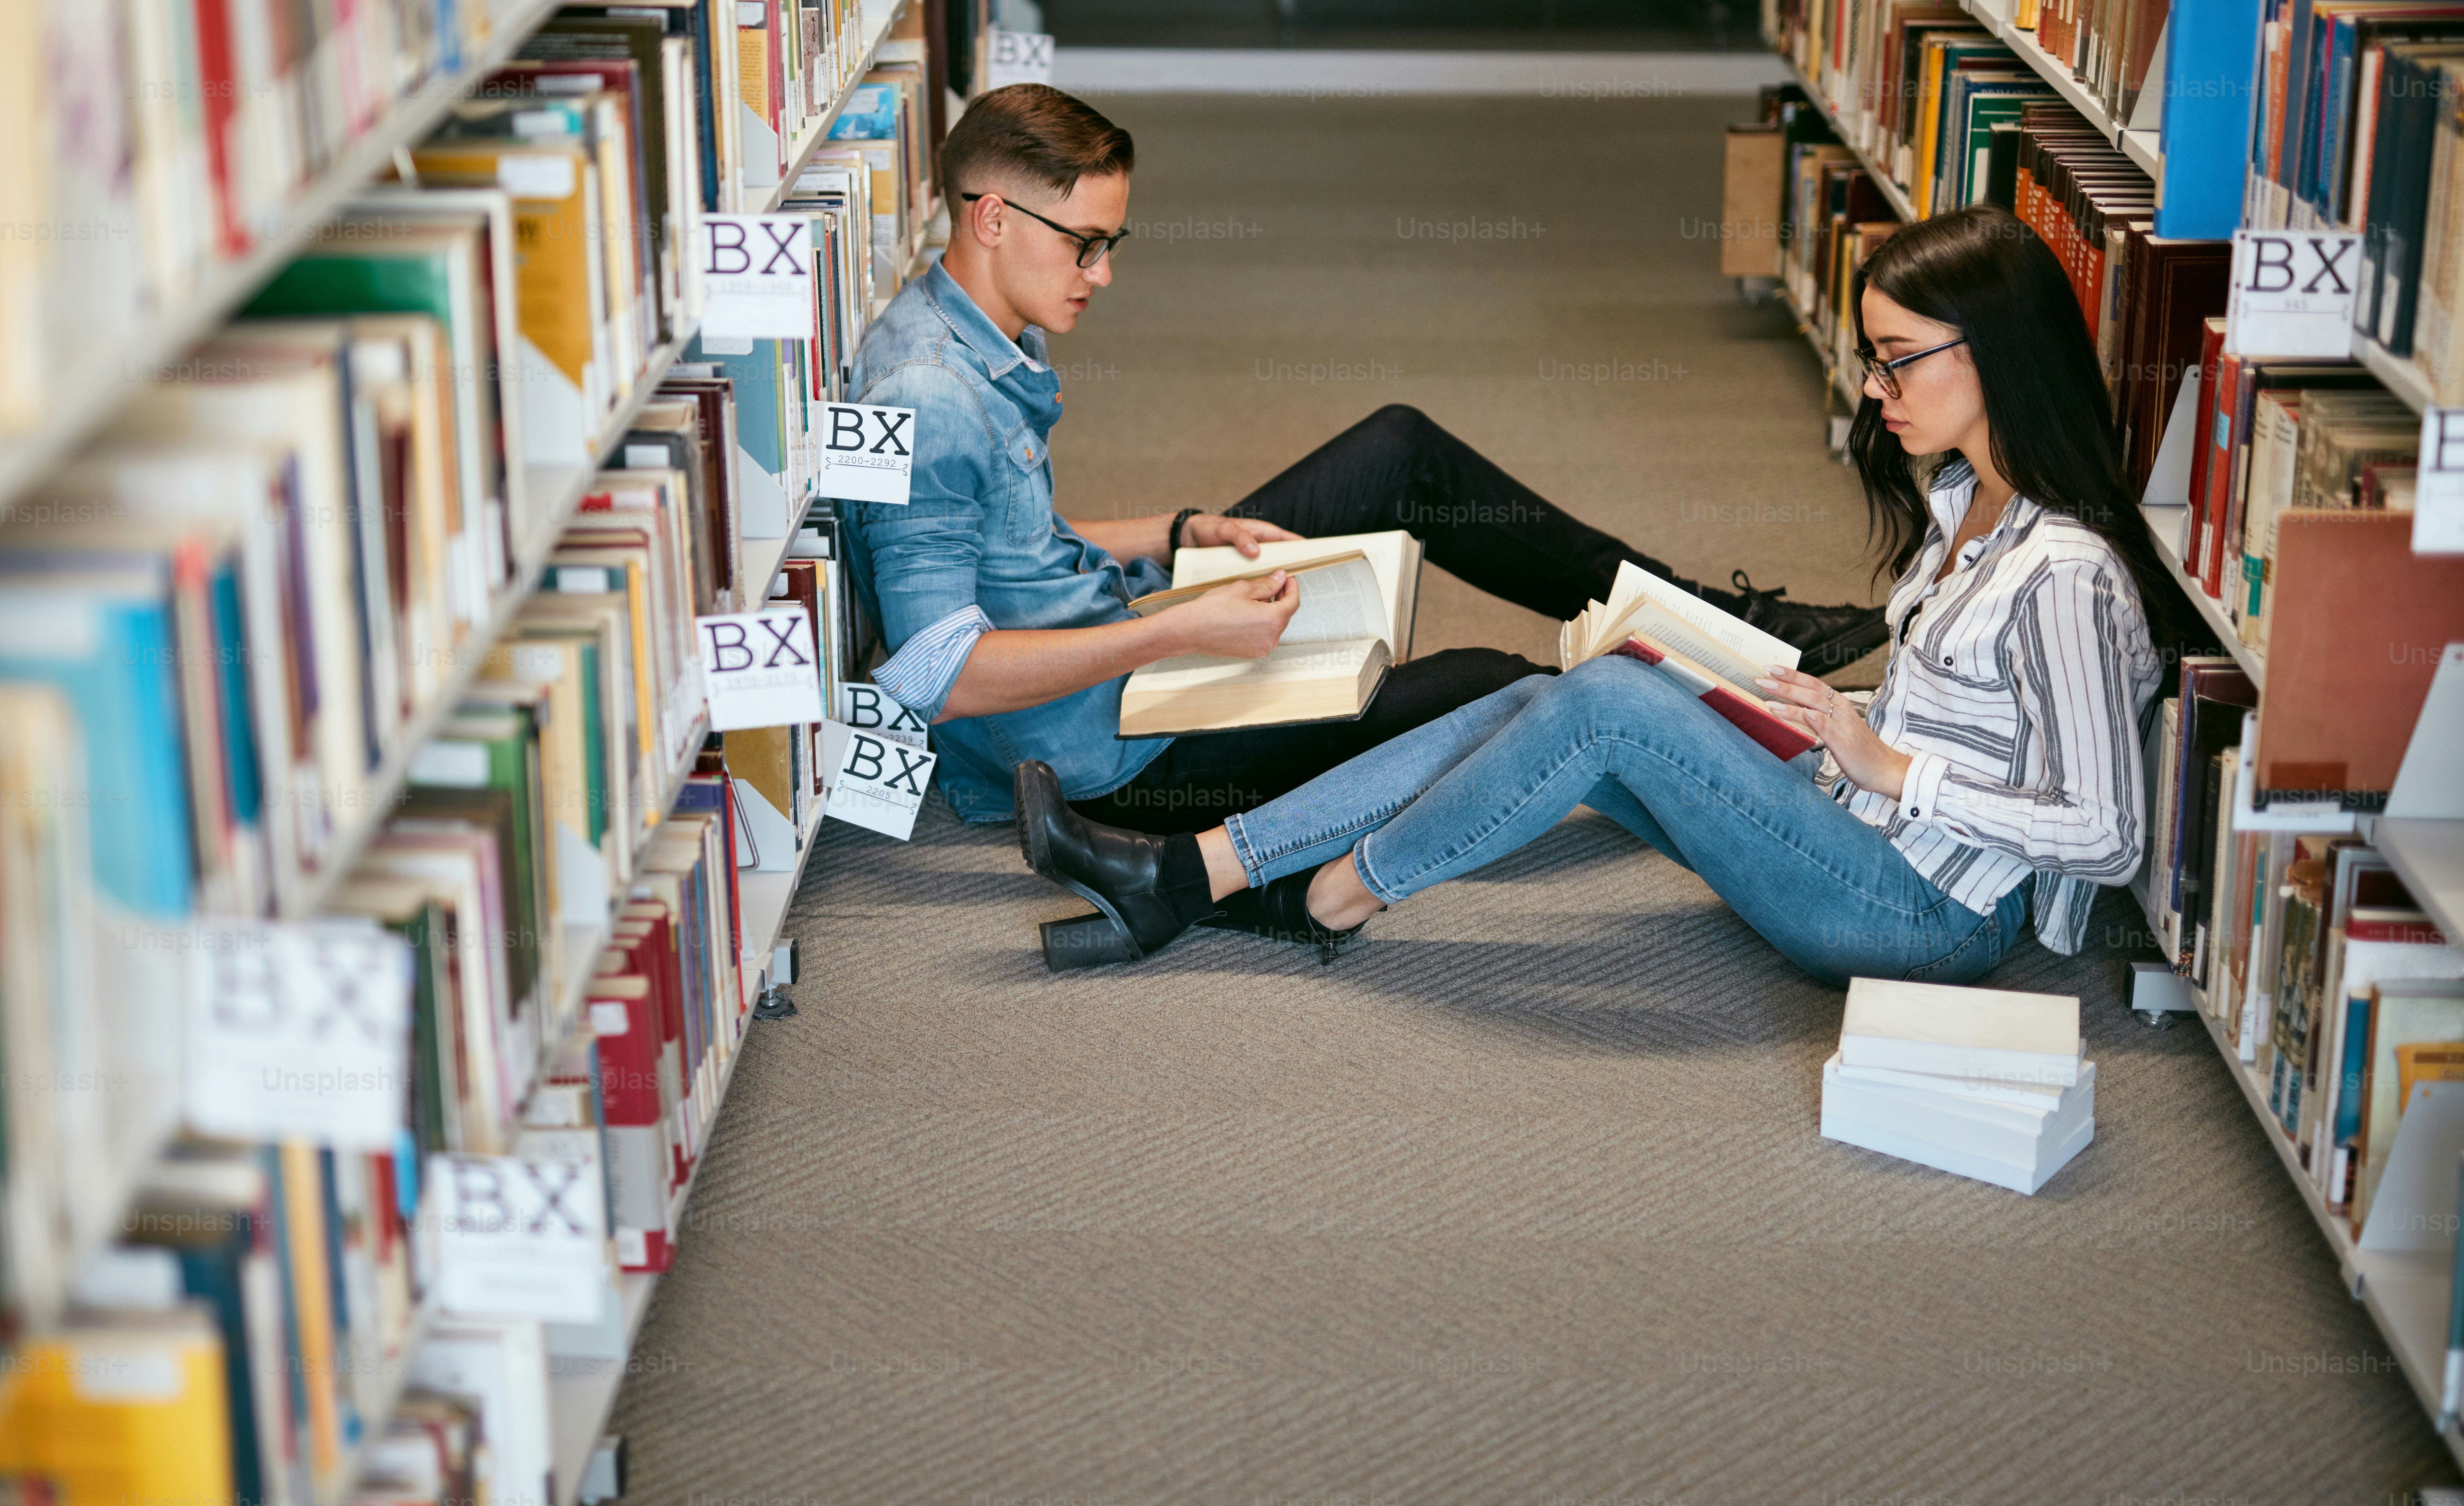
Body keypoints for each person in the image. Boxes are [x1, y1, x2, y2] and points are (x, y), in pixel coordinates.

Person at [838, 83, 1890, 965]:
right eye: (1087, 246)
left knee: (1398, 450)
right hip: (1115, 752)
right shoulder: (933, 394)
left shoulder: (969, 324)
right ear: (991, 218)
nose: (1103, 275)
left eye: (1112, 243)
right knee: (1499, 686)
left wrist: (1178, 529)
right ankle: (1729, 701)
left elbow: (1008, 544)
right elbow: (939, 674)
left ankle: (1709, 621)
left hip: (1128, 642)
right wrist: (1181, 629)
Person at [1016, 203, 2195, 981]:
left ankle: (1325, 897)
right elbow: (1964, 717)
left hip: (1923, 916)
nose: (1873, 386)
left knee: (1601, 709)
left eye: (1897, 358)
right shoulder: (1964, 510)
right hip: (1847, 814)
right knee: (1569, 687)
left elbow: (2105, 832)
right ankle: (1204, 873)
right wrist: (1836, 726)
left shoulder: (2068, 575)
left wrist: (1896, 767)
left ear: (1989, 356)